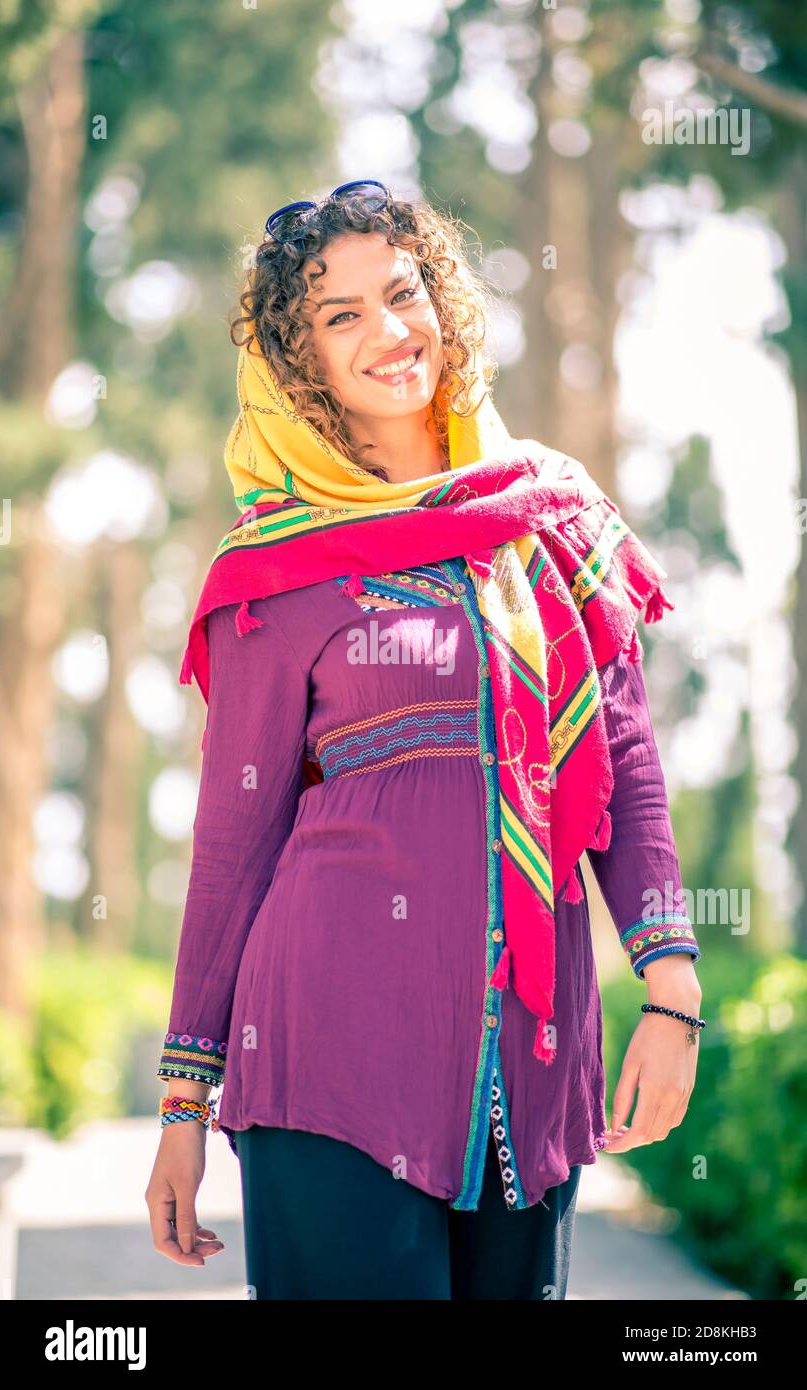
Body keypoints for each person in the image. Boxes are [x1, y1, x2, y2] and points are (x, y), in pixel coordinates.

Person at [145, 180, 703, 1301]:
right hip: (326, 1059)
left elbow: (626, 768)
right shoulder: (277, 565)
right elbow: (234, 842)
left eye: (401, 293)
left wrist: (670, 985)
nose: (388, 332)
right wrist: (181, 1103)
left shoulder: (551, 516)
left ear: (441, 299)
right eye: (338, 315)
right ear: (297, 358)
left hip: (530, 1067)